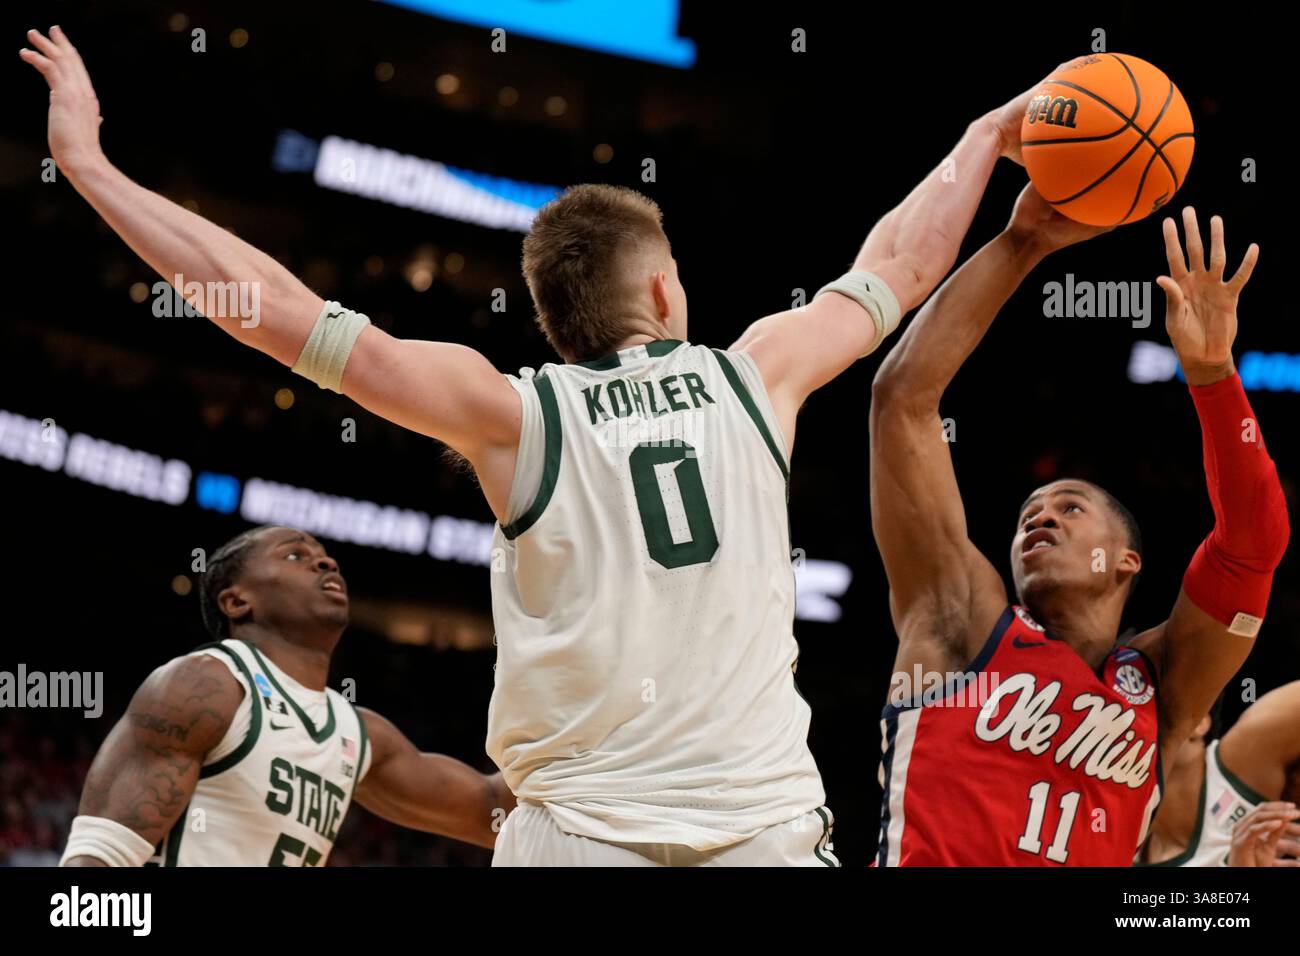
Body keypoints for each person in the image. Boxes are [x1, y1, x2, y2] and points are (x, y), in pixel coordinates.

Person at [23, 25, 1048, 864]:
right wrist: (983, 137)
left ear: (558, 320)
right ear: (661, 290)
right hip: (763, 832)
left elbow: (273, 312)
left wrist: (92, 167)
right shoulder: (757, 369)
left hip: (575, 837)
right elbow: (901, 262)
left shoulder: (513, 413)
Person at [868, 184, 1288, 865]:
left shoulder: (1162, 684)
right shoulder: (961, 618)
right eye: (1029, 514)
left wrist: (1212, 374)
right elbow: (902, 399)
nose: (1041, 518)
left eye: (1069, 508)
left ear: (1126, 561)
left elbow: (1254, 545)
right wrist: (1021, 241)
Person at [60, 526, 513, 866]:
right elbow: (97, 858)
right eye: (295, 555)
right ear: (237, 602)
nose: (326, 563)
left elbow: (491, 812)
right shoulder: (206, 685)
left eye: (327, 557)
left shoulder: (359, 734)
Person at [1138, 681, 1300, 866]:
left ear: (1199, 722)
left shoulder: (1247, 749)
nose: (1127, 721)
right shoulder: (1117, 848)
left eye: (1142, 705)